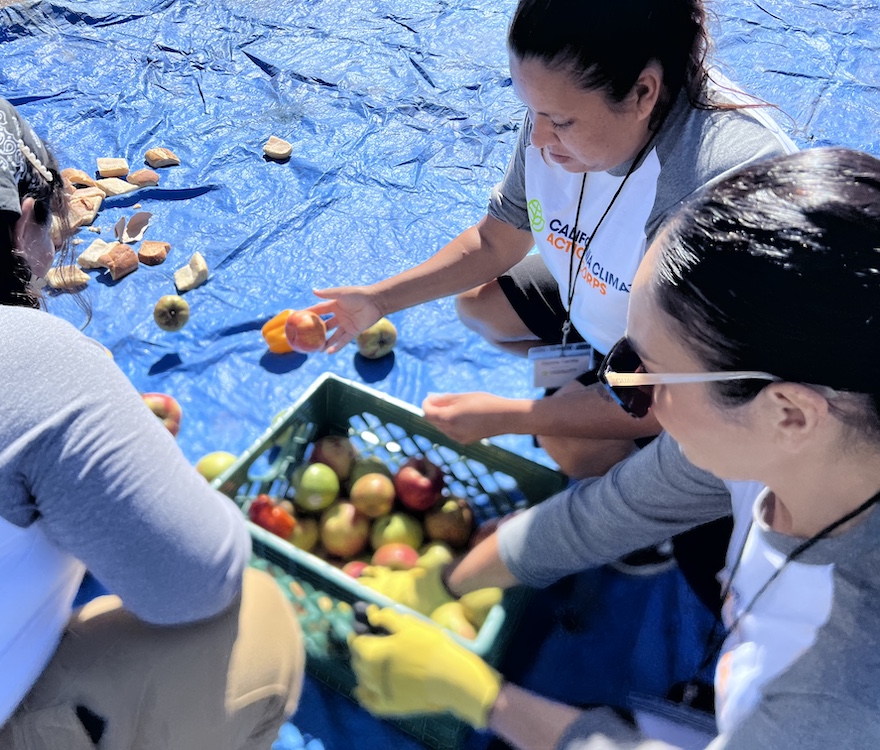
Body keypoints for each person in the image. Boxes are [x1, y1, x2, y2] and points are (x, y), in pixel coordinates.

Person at [350, 147, 880, 749]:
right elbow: (615, 510)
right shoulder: (786, 449)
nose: (622, 386)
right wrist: (448, 582)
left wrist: (487, 700)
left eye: (642, 373)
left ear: (787, 413)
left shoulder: (839, 693)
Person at [0, 79, 304, 750]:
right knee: (257, 623)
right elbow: (199, 580)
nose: (53, 258)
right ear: (21, 225)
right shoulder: (19, 356)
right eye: (50, 227)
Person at [311, 0, 794, 480]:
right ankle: (588, 375)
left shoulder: (713, 187)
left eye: (561, 122)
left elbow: (670, 396)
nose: (538, 138)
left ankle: (647, 537)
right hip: (612, 299)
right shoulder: (561, 103)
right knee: (480, 308)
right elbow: (497, 243)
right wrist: (378, 299)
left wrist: (513, 416)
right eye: (531, 110)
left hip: (704, 386)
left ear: (644, 92)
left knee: (566, 440)